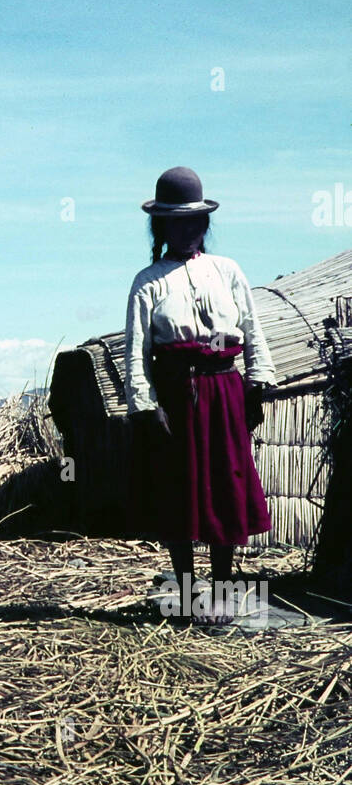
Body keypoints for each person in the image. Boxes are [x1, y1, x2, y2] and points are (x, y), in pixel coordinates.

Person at [125, 167, 277, 624]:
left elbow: (252, 329)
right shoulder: (148, 281)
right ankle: (189, 594)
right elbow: (137, 351)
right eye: (175, 222)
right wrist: (146, 405)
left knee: (226, 486)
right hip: (176, 395)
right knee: (180, 490)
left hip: (225, 389)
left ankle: (223, 593)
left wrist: (257, 383)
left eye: (193, 221)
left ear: (204, 224)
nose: (186, 230)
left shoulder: (227, 271)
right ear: (161, 227)